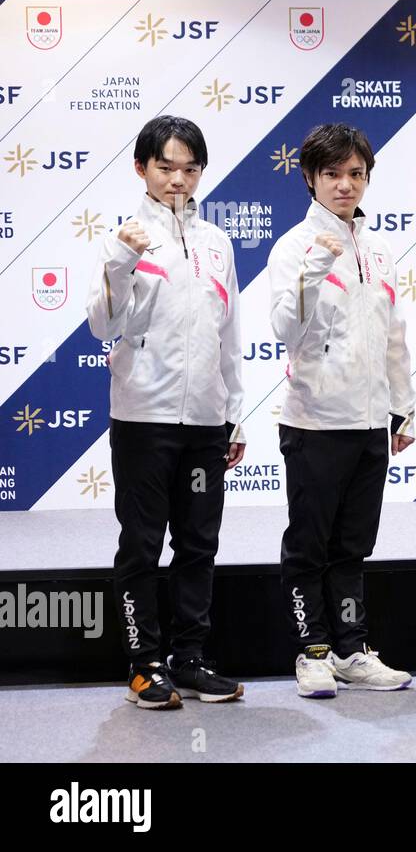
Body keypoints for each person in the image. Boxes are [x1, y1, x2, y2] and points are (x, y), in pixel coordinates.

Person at [86, 115, 245, 709]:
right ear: (141, 169)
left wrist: (233, 412)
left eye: (190, 168)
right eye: (166, 167)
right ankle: (143, 664)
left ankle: (191, 658)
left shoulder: (217, 242)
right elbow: (103, 324)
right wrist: (122, 261)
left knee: (199, 544)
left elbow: (229, 334)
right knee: (143, 543)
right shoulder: (122, 239)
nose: (179, 180)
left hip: (205, 421)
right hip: (143, 418)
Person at [269, 123, 416, 697]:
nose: (345, 185)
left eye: (355, 174)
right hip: (313, 421)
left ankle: (353, 648)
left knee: (353, 545)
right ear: (310, 179)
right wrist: (313, 268)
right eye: (332, 174)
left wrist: (402, 406)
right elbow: (284, 329)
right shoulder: (292, 247)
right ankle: (312, 652)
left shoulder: (378, 249)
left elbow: (394, 334)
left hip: (367, 421)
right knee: (309, 545)